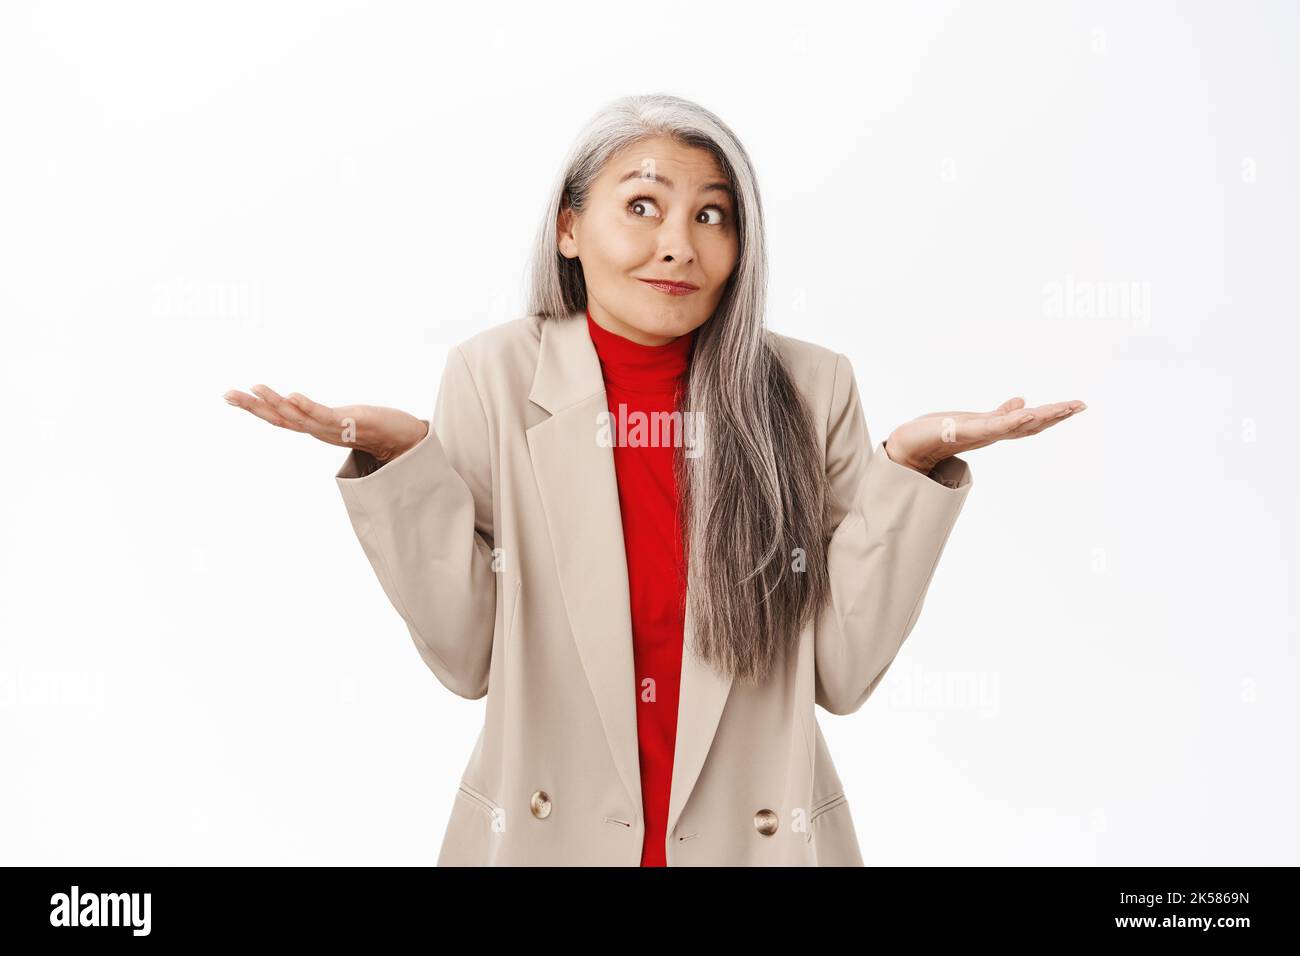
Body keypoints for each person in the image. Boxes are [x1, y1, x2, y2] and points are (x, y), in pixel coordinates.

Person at [224, 93, 1085, 866]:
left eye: (713, 215)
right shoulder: (491, 376)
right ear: (569, 228)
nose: (679, 245)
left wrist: (908, 469)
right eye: (643, 206)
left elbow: (844, 674)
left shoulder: (811, 387)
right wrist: (403, 465)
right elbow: (466, 658)